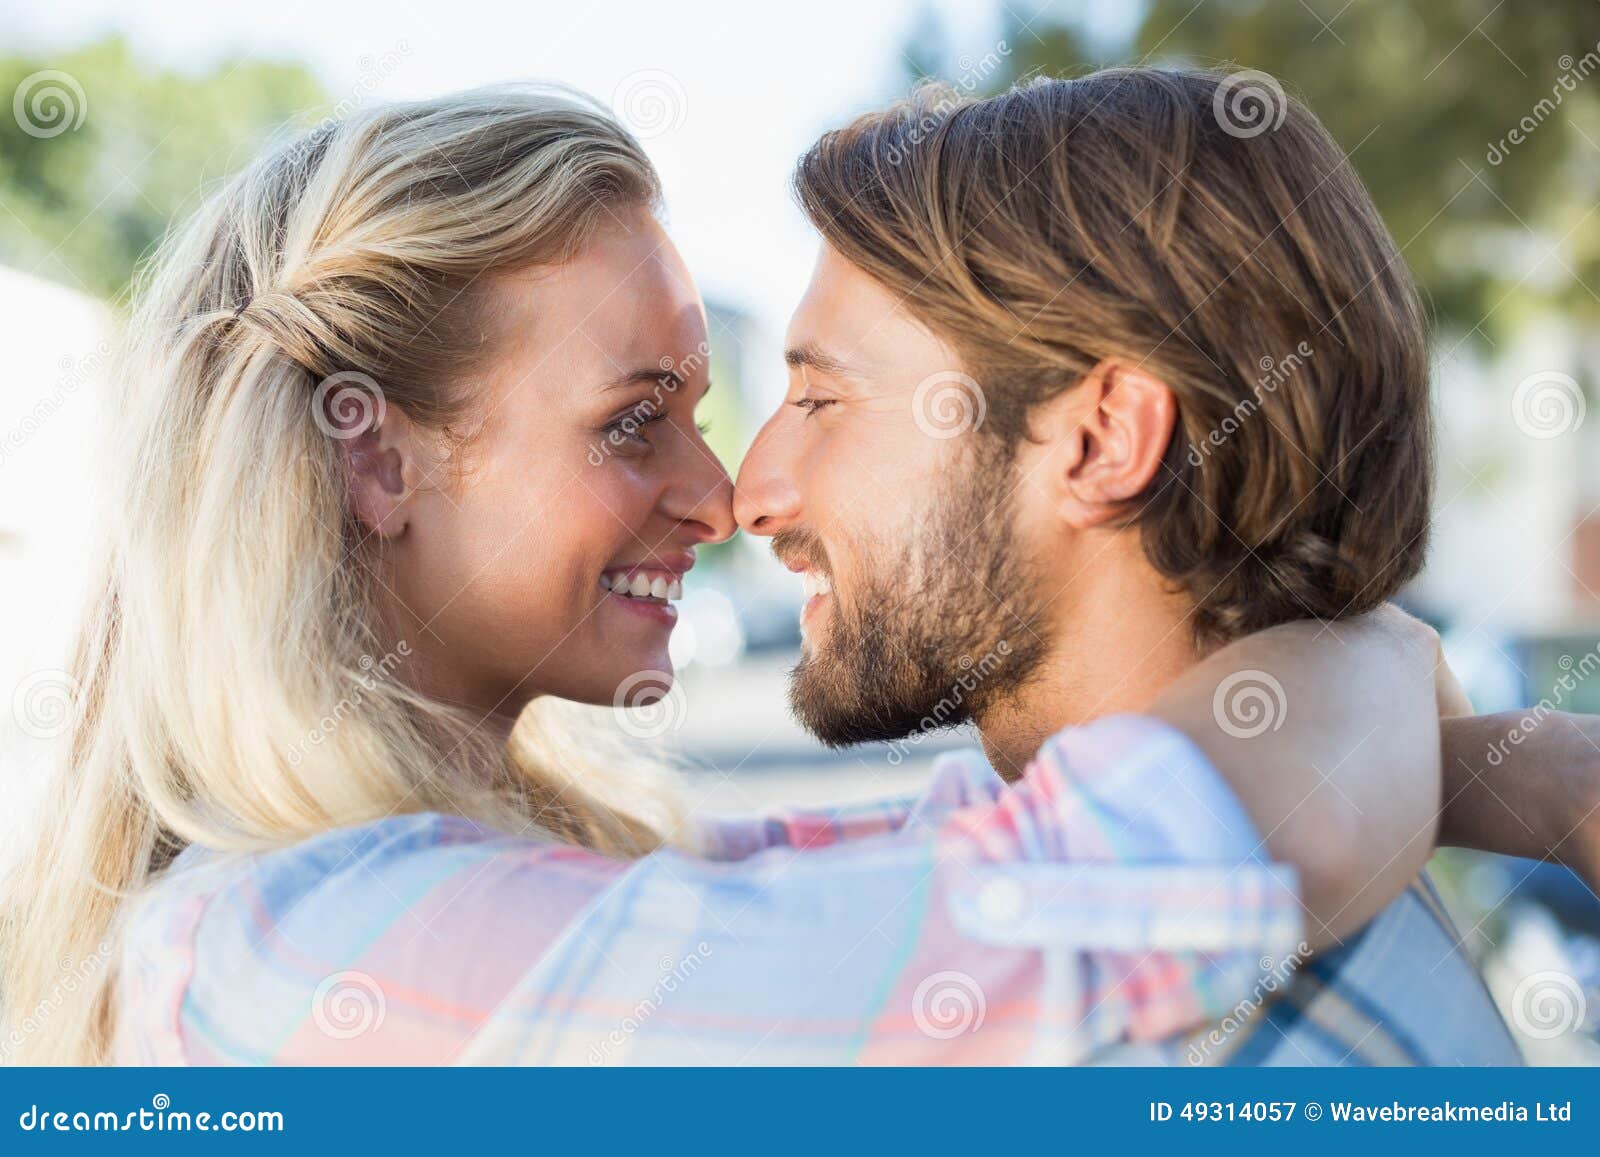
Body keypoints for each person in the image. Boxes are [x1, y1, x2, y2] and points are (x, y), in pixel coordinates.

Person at [0, 82, 1590, 1068]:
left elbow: (973, 878)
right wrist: (1410, 683)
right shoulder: (310, 954)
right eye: (637, 421)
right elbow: (1121, 884)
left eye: (804, 399)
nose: (729, 492)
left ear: (1104, 439)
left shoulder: (598, 895)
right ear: (371, 456)